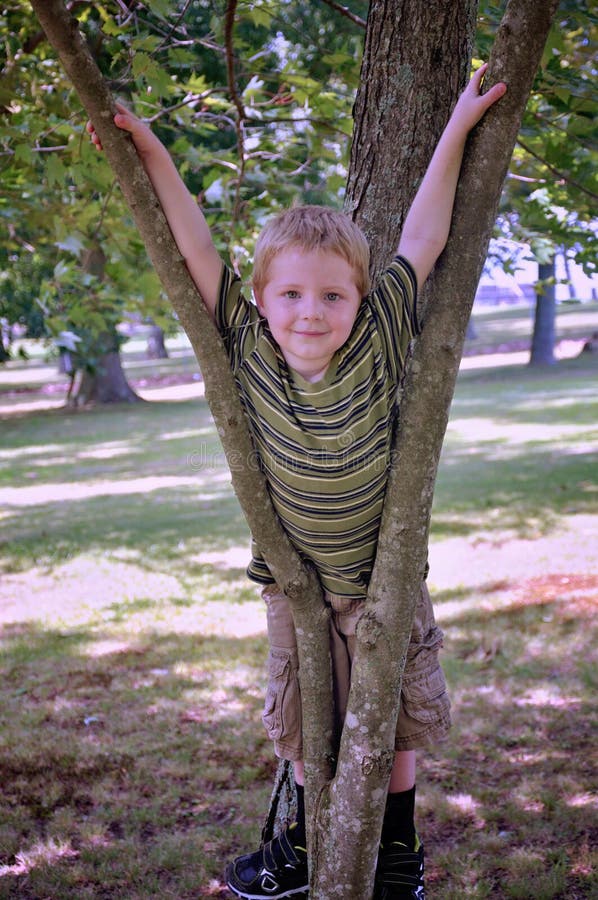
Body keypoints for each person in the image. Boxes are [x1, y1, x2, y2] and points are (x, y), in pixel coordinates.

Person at [88, 63, 506, 900]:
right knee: (305, 729)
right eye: (290, 294)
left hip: (383, 587)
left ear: (360, 299)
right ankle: (305, 849)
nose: (309, 312)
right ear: (262, 299)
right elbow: (194, 246)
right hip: (298, 587)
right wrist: (152, 151)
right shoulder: (246, 345)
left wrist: (459, 124)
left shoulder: (378, 338)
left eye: (331, 295)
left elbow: (422, 238)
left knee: (393, 728)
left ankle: (395, 857)